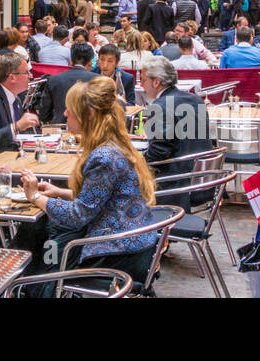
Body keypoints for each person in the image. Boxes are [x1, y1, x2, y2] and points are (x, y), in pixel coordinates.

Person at [17, 76, 159, 283]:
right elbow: (101, 198)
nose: (65, 113)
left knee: (37, 234)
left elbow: (78, 215)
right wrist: (58, 192)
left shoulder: (104, 157)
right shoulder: (114, 146)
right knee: (42, 233)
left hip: (114, 255)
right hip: (134, 245)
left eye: (70, 109)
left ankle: (20, 284)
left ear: (89, 114)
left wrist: (35, 197)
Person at [141, 57, 212, 213]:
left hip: (174, 185)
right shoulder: (195, 99)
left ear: (156, 82)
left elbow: (158, 153)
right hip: (202, 180)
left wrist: (136, 160)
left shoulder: (159, 107)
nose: (141, 85)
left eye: (143, 80)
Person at [38, 43, 98, 125]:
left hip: (59, 129)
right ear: (90, 62)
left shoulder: (54, 79)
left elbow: (44, 113)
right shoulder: (98, 80)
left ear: (71, 61)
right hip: (89, 129)